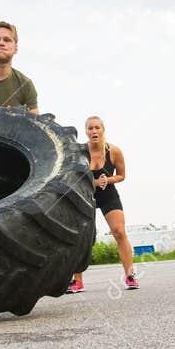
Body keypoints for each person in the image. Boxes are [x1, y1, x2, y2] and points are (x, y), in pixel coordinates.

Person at [66, 116, 138, 294]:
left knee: (119, 232)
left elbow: (122, 175)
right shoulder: (79, 152)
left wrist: (109, 179)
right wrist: (94, 182)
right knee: (81, 237)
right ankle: (77, 281)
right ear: (86, 132)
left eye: (97, 128)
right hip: (85, 195)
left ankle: (130, 275)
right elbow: (71, 178)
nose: (94, 131)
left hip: (108, 194)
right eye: (90, 128)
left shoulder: (114, 151)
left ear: (103, 130)